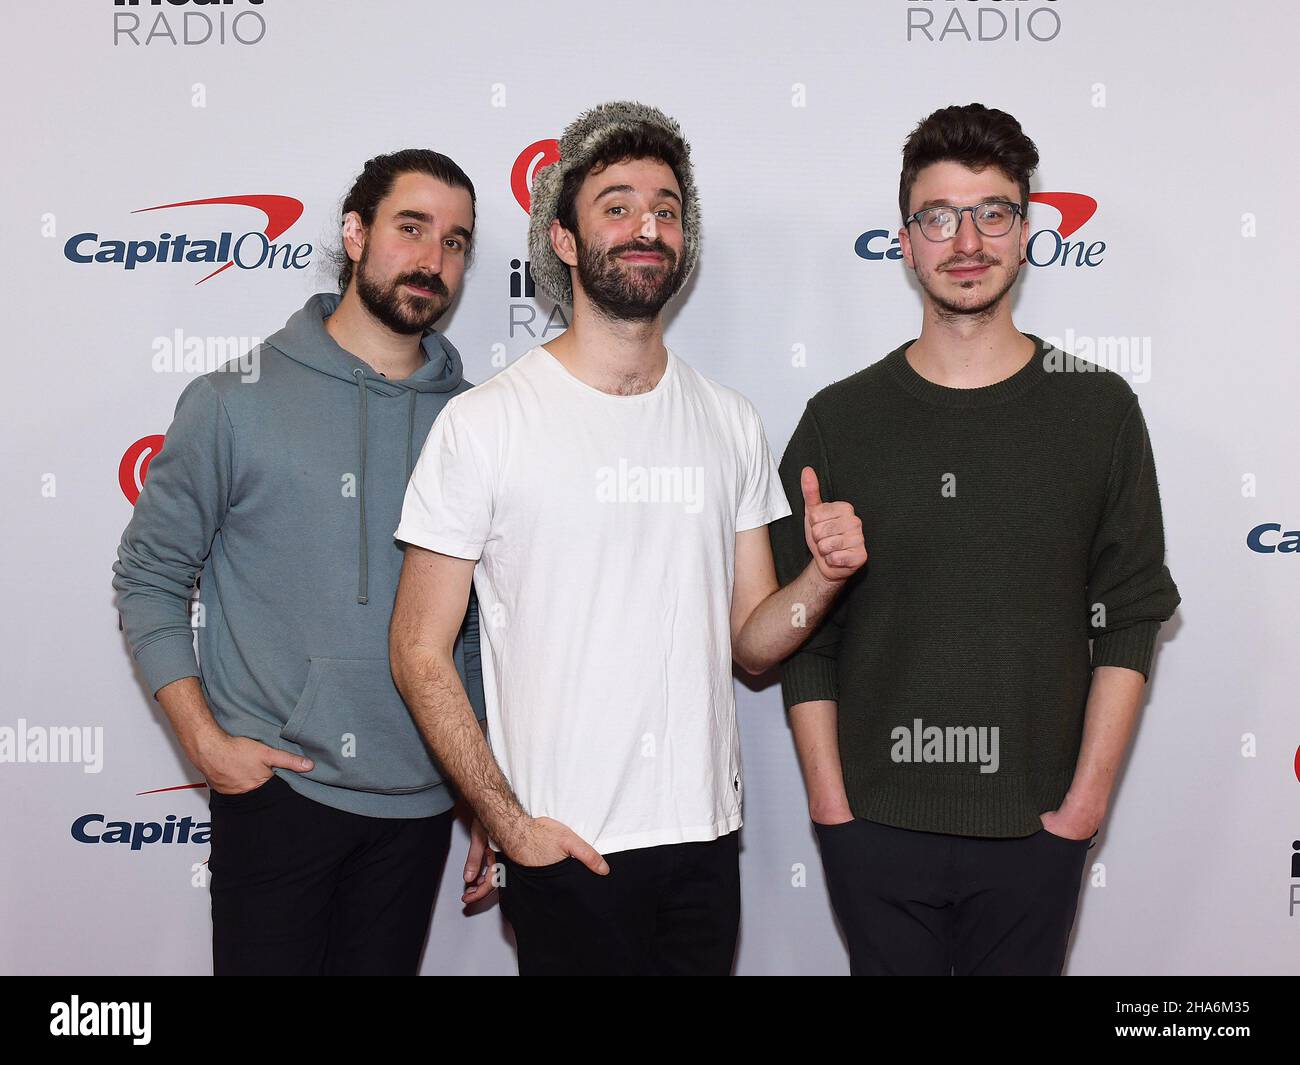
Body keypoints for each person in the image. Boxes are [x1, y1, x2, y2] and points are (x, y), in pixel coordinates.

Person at [389, 101, 866, 976]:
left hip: (704, 841)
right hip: (566, 846)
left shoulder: (728, 421)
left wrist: (823, 579)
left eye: (666, 208)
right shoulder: (484, 425)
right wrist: (507, 821)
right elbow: (418, 650)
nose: (646, 226)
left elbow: (753, 645)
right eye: (615, 205)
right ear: (564, 241)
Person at [769, 103, 1182, 976]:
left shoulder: (1098, 407)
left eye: (992, 212)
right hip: (874, 829)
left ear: (1027, 230)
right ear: (905, 239)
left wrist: (1083, 811)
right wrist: (831, 810)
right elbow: (802, 640)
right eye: (939, 217)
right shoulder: (840, 420)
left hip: (1035, 830)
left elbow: (1132, 615)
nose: (967, 240)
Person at [112, 149, 486, 975]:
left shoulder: (477, 424)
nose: (433, 260)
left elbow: (474, 630)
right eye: (411, 228)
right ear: (355, 233)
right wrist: (205, 742)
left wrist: (484, 783)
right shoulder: (233, 398)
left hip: (420, 801)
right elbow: (149, 576)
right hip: (280, 792)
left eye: (456, 242)